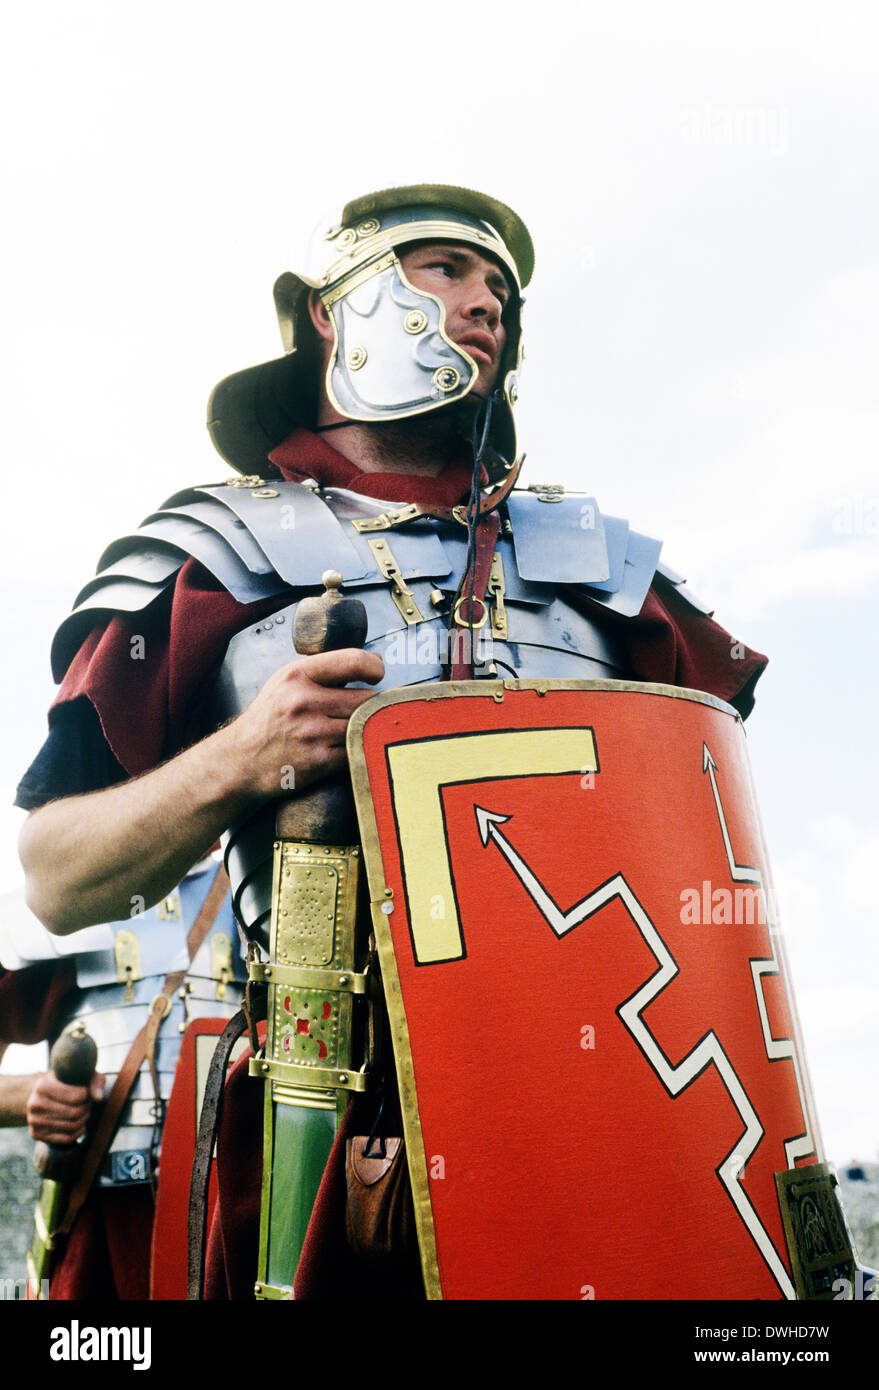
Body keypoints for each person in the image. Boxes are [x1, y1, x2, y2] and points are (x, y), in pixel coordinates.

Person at [16, 184, 773, 1299]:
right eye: (446, 270)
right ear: (334, 311)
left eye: (502, 291)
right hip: (317, 1113)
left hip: (594, 1105)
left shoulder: (609, 576)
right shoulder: (212, 557)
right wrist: (245, 756)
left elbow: (707, 833)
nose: (488, 303)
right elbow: (55, 878)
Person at [0, 863, 245, 1298]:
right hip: (100, 1225)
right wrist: (32, 1095)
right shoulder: (66, 891)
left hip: (239, 1219)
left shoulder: (273, 881)